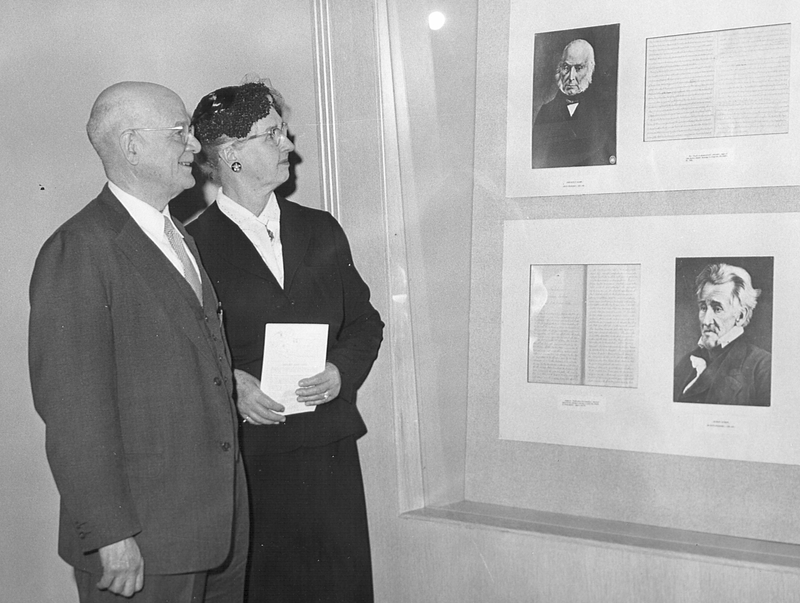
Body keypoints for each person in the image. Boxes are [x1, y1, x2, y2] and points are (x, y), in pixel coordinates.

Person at [29, 81, 248, 602]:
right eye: (180, 133)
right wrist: (110, 534)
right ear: (131, 146)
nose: (195, 147)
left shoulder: (177, 236)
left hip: (216, 531)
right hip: (145, 542)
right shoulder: (79, 249)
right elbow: (73, 410)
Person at [187, 80, 384, 603]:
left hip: (329, 452)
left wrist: (341, 370)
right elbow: (181, 349)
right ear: (230, 154)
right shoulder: (190, 245)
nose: (288, 146)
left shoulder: (321, 230)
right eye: (271, 134)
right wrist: (230, 384)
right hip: (251, 458)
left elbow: (365, 323)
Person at [673, 263, 771, 406]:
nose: (706, 320)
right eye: (703, 307)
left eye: (717, 309)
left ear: (741, 316)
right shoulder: (685, 364)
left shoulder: (762, 367)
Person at [532, 38, 616, 168]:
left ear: (590, 70)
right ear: (560, 70)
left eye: (578, 68)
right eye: (566, 67)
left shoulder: (604, 112)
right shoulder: (546, 112)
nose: (571, 77)